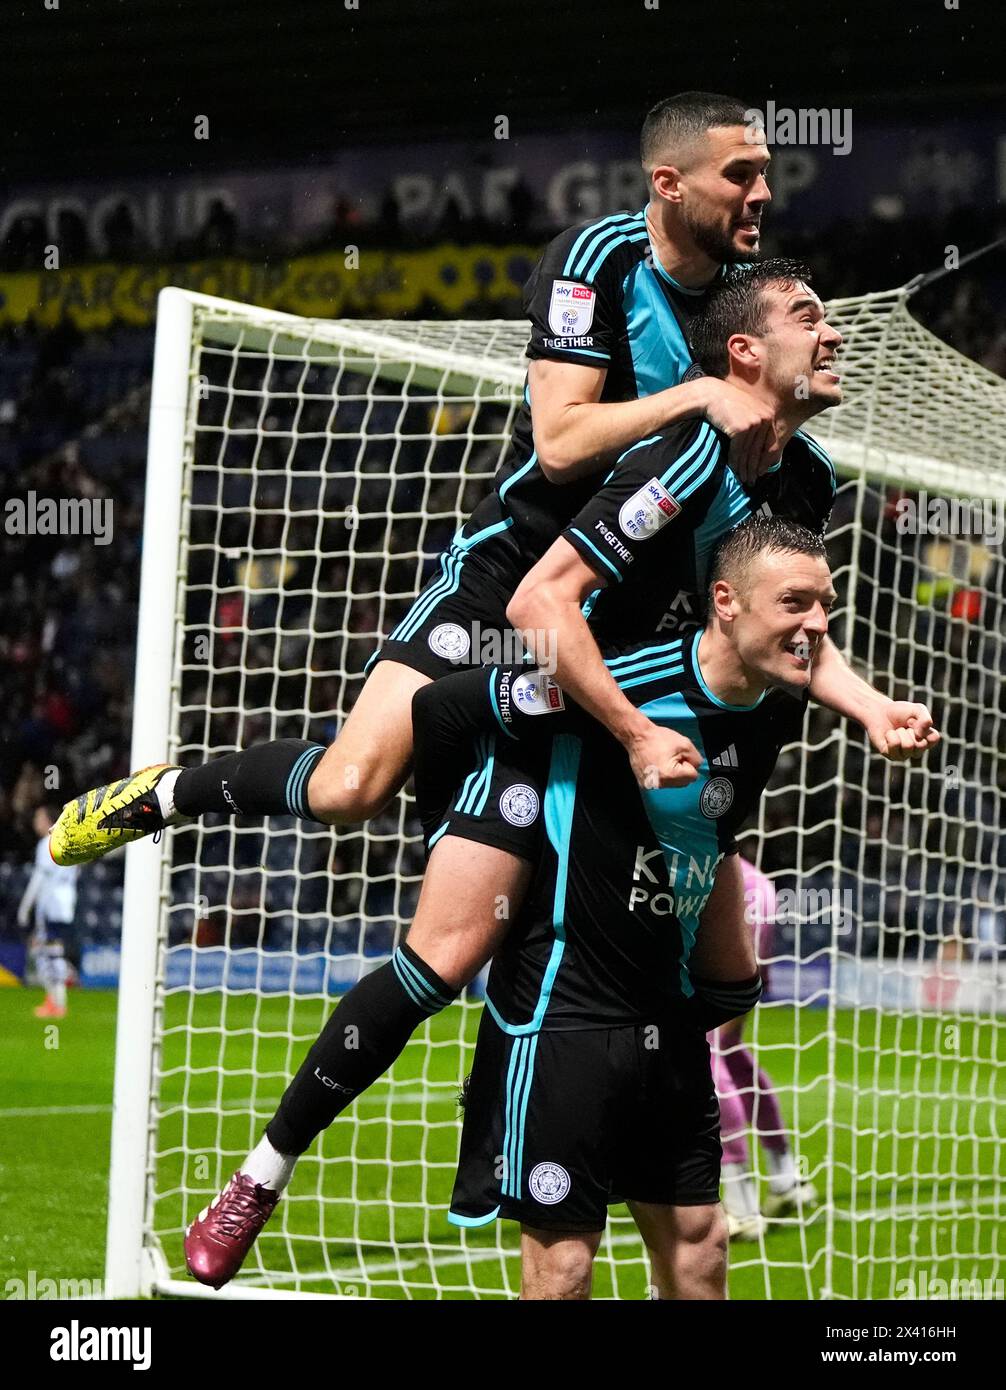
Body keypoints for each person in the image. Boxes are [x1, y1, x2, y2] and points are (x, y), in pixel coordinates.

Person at [51, 90, 778, 871]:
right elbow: (561, 443)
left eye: (765, 173)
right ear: (668, 183)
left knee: (604, 842)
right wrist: (697, 393)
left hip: (629, 602)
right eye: (741, 174)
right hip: (514, 572)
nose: (763, 193)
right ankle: (169, 794)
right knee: (351, 789)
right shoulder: (596, 260)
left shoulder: (753, 297)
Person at [438, 520, 934, 1297]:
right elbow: (443, 709)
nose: (817, 625)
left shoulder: (778, 700)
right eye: (796, 602)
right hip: (567, 1008)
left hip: (668, 1013)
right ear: (726, 602)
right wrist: (488, 839)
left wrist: (872, 710)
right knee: (564, 1265)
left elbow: (724, 828)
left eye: (825, 605)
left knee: (700, 1247)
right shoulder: (614, 681)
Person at [713, 858, 817, 1241]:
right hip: (757, 891)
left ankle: (742, 1206)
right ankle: (787, 1176)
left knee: (710, 1056)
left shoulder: (697, 858)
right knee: (731, 1054)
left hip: (731, 893)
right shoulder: (758, 878)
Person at [18, 804, 79, 1019]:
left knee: (49, 954)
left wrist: (26, 906)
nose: (36, 822)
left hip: (51, 905)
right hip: (65, 905)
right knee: (54, 952)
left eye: (38, 817)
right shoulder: (69, 839)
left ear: (46, 821)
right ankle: (55, 999)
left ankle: (57, 1002)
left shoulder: (47, 843)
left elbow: (39, 878)